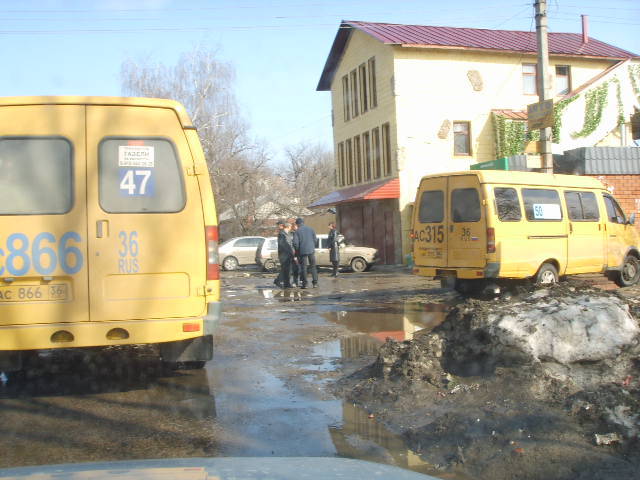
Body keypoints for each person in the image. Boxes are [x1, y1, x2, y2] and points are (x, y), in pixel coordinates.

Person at [292, 217, 318, 288]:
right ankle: (315, 283)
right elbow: (315, 240)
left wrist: (297, 250)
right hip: (311, 250)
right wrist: (312, 246)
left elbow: (295, 243)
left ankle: (305, 284)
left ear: (297, 224)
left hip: (302, 251)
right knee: (313, 266)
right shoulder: (311, 229)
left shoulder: (297, 231)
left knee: (304, 267)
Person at [274, 220, 294, 288]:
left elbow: (290, 243)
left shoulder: (288, 233)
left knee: (287, 270)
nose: (291, 228)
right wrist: (290, 250)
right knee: (286, 270)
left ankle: (285, 283)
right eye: (290, 226)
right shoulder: (281, 234)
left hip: (288, 254)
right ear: (288, 227)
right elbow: (282, 244)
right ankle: (285, 283)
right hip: (284, 255)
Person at [290, 221, 300, 287]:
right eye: (296, 226)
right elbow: (293, 245)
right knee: (295, 268)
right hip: (294, 253)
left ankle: (297, 281)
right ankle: (295, 281)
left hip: (298, 253)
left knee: (298, 268)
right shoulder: (292, 234)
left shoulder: (298, 233)